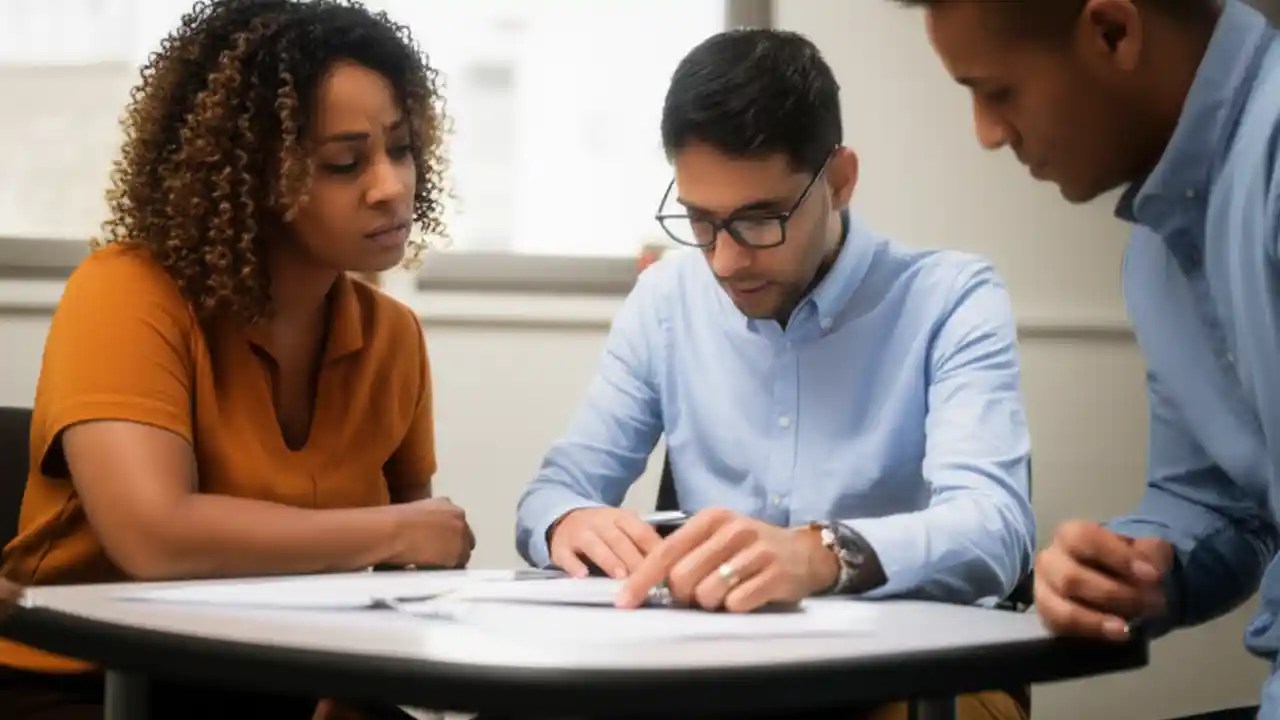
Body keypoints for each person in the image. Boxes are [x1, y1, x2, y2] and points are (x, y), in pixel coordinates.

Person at [514, 29, 1035, 720]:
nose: (726, 261)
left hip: (901, 678)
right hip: (709, 682)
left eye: (761, 220)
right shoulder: (668, 301)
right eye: (702, 222)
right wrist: (570, 521)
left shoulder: (950, 299)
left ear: (840, 180)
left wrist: (822, 555)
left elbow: (994, 529)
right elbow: (553, 493)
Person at [0, 1, 473, 717]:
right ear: (249, 175)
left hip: (277, 680)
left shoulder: (393, 337)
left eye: (401, 149)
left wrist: (358, 678)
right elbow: (152, 537)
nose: (391, 185)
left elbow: (412, 570)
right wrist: (397, 529)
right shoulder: (124, 293)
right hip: (83, 684)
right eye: (344, 162)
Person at [896, 0, 1280, 714]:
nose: (985, 133)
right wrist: (1132, 565)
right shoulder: (1157, 254)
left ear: (1112, 31)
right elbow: (1215, 497)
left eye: (996, 91)